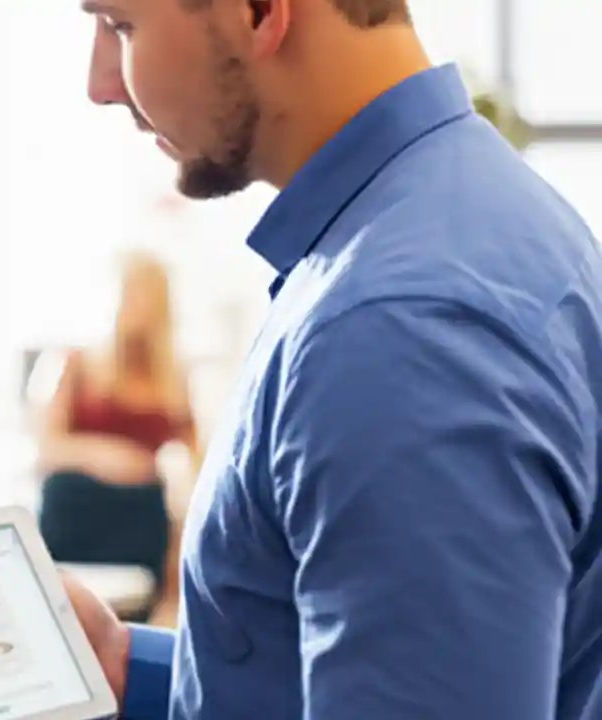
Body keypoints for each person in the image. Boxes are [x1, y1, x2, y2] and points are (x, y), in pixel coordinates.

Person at [63, 1, 602, 718]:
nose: (100, 82)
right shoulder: (451, 217)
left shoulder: (399, 329)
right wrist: (135, 667)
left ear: (259, 12)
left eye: (121, 25)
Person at [38, 252, 197, 618]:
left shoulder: (174, 378)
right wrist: (104, 454)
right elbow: (46, 447)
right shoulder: (76, 362)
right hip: (76, 513)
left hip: (140, 521)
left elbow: (197, 461)